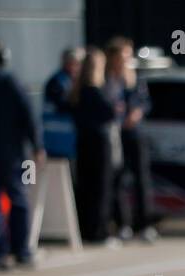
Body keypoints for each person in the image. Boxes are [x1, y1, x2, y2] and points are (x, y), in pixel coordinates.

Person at [0, 37, 43, 270]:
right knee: (19, 198)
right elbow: (29, 114)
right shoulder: (10, 81)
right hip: (13, 154)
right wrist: (38, 145)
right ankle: (22, 250)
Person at [103, 37, 156, 241]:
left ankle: (145, 225)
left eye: (128, 55)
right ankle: (123, 223)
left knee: (141, 178)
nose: (126, 59)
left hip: (135, 134)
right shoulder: (107, 78)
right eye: (123, 55)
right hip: (115, 135)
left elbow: (145, 103)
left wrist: (137, 113)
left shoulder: (135, 78)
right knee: (117, 179)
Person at [70, 47, 117, 244]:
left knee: (85, 186)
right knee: (101, 187)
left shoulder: (77, 91)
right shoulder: (96, 92)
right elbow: (111, 113)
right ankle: (99, 230)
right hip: (98, 143)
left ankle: (87, 228)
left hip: (82, 142)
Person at [43, 46, 83, 114]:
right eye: (75, 63)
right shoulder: (56, 82)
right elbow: (59, 105)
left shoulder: (75, 79)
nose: (78, 67)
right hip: (58, 120)